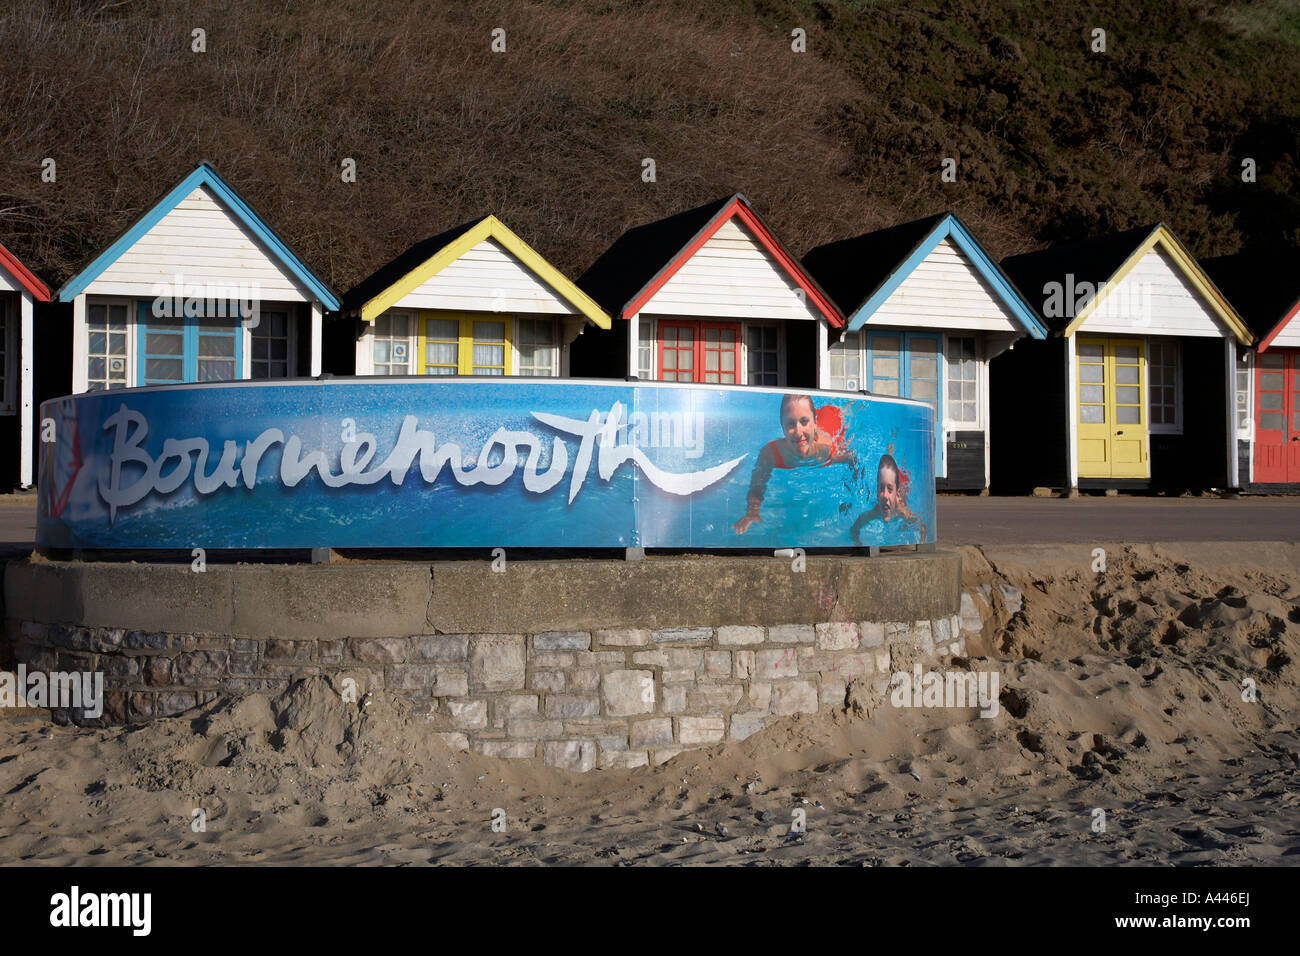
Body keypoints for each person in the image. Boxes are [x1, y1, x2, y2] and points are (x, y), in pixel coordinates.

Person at [732, 394, 854, 534]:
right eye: (790, 423)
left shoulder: (827, 450)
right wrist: (752, 512)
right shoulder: (770, 454)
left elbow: (853, 458)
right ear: (782, 426)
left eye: (804, 422)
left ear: (814, 422)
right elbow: (757, 485)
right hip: (811, 416)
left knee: (843, 410)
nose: (798, 432)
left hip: (831, 420)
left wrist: (851, 496)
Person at [850, 453, 926, 545]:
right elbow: (854, 529)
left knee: (901, 476)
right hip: (893, 482)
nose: (885, 496)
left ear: (896, 493)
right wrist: (858, 544)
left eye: (889, 490)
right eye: (881, 488)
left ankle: (892, 454)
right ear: (877, 492)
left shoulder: (901, 511)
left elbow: (922, 528)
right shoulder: (876, 511)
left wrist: (920, 541)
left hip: (902, 484)